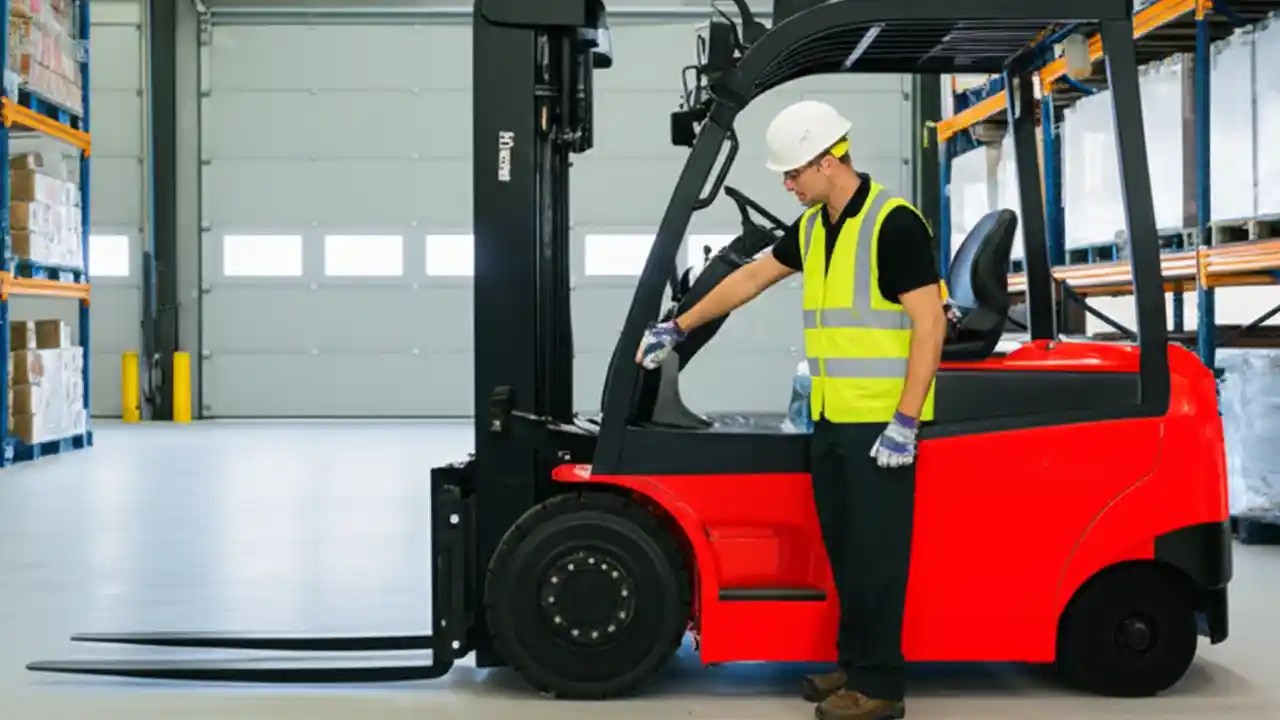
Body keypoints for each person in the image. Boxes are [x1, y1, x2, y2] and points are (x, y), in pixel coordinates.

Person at [635, 100, 946, 720]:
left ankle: (881, 688)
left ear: (828, 162)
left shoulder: (893, 224)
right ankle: (855, 666)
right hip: (833, 419)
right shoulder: (816, 227)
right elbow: (751, 279)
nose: (787, 183)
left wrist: (906, 420)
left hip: (881, 426)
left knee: (878, 560)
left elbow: (929, 322)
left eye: (793, 173)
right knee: (849, 555)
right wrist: (679, 323)